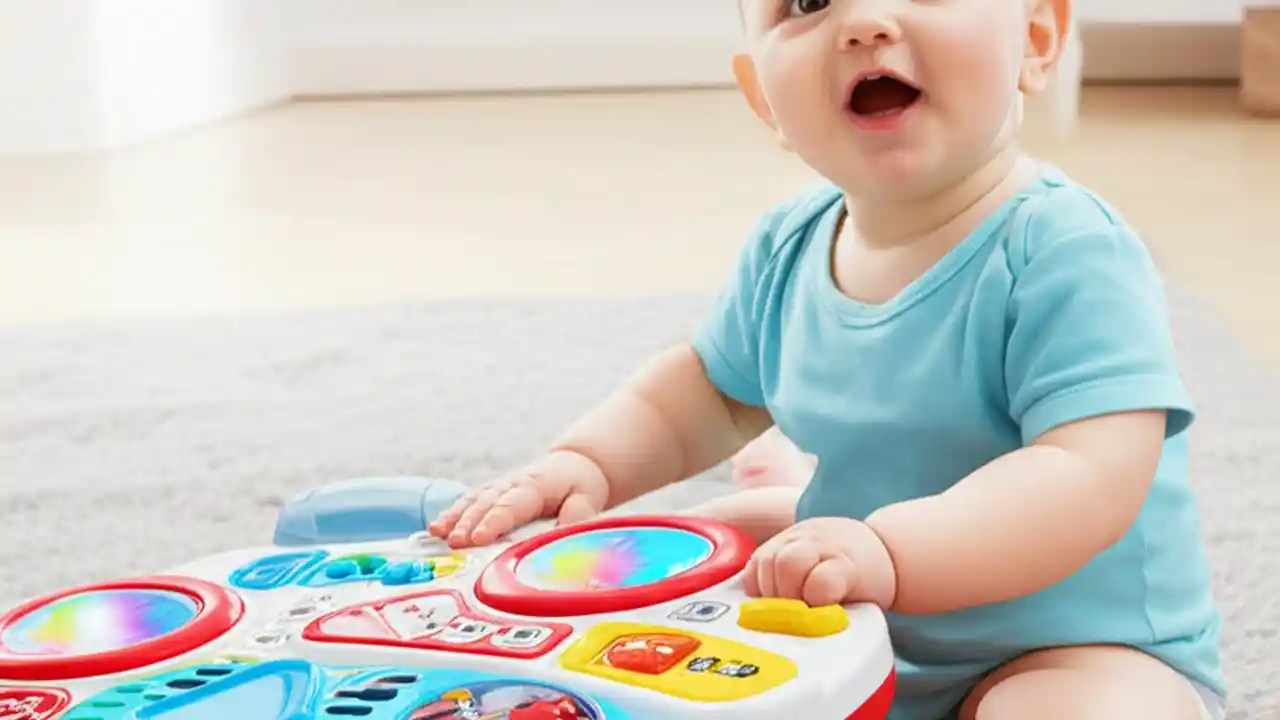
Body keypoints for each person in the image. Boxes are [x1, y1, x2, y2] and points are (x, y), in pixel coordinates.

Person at [430, 1, 1225, 717]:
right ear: (762, 98)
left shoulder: (1066, 249)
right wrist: (586, 464)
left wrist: (891, 553)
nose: (864, 22)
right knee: (686, 547)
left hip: (1079, 644)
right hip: (858, 615)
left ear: (1037, 38)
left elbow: (1087, 479)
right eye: (808, 1)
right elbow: (704, 394)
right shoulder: (789, 246)